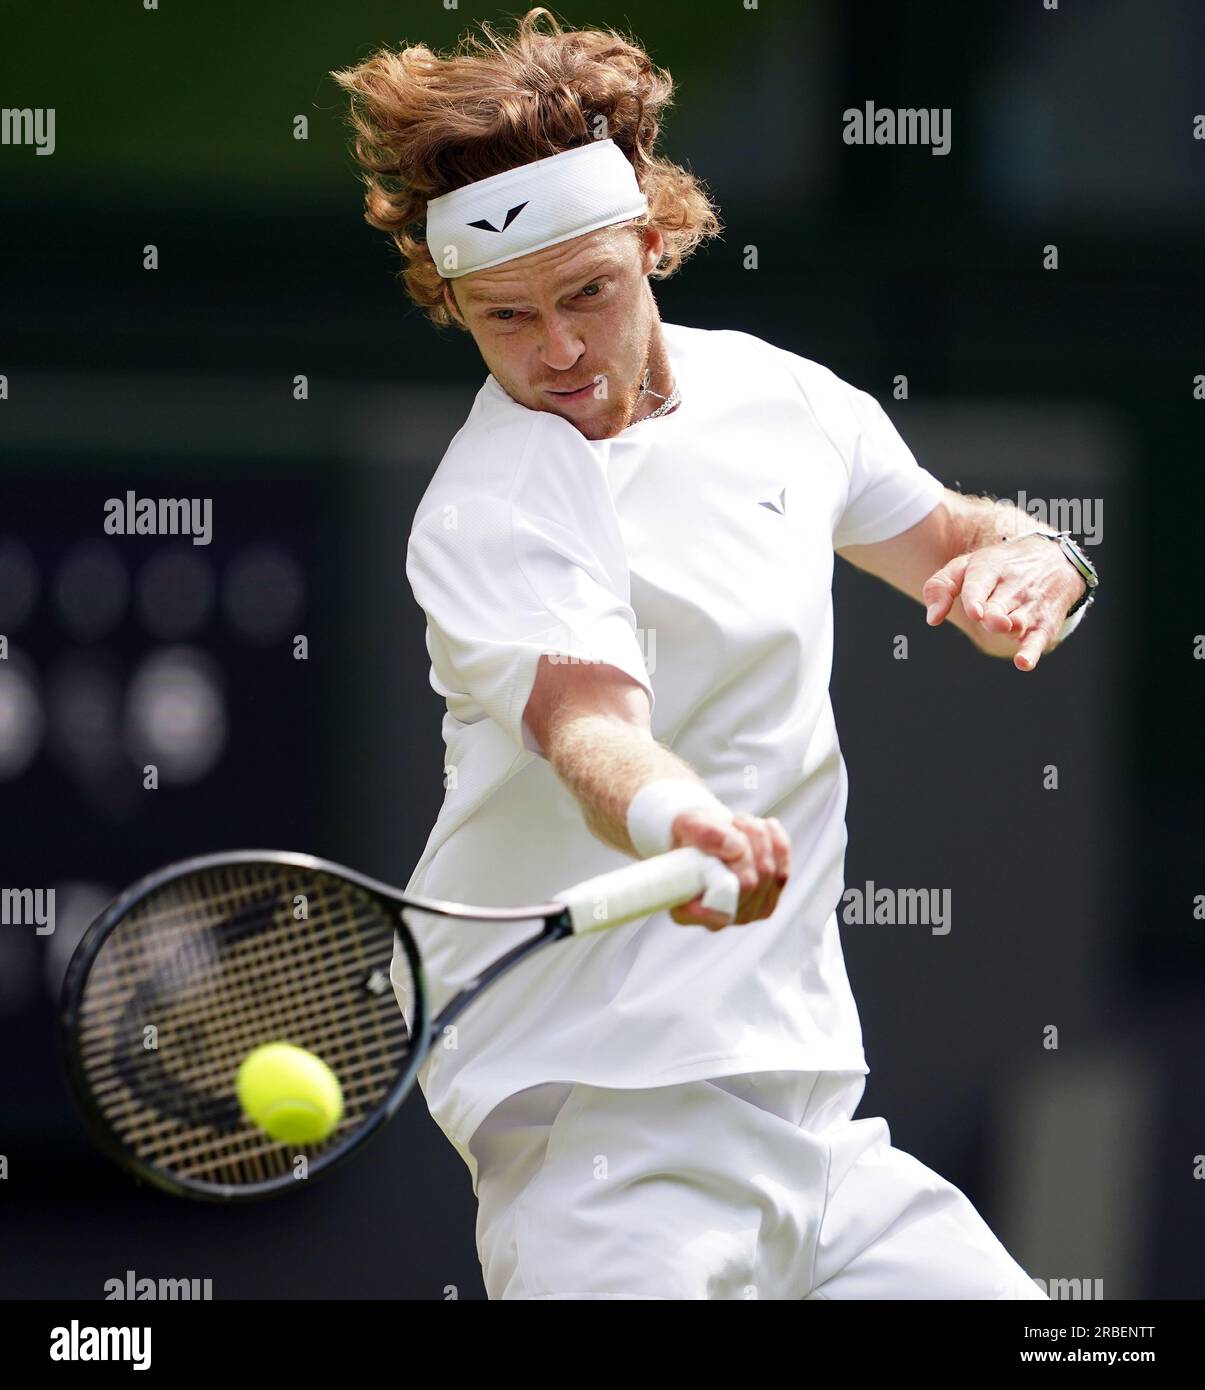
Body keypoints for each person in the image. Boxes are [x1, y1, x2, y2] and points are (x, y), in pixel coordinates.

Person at [331, 9, 1096, 1299]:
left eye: (589, 291)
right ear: (452, 301)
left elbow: (961, 537)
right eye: (508, 316)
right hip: (605, 1153)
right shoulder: (492, 505)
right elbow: (588, 726)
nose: (559, 350)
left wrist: (1041, 563)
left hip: (819, 1133)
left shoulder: (781, 398)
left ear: (653, 237)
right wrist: (679, 818)